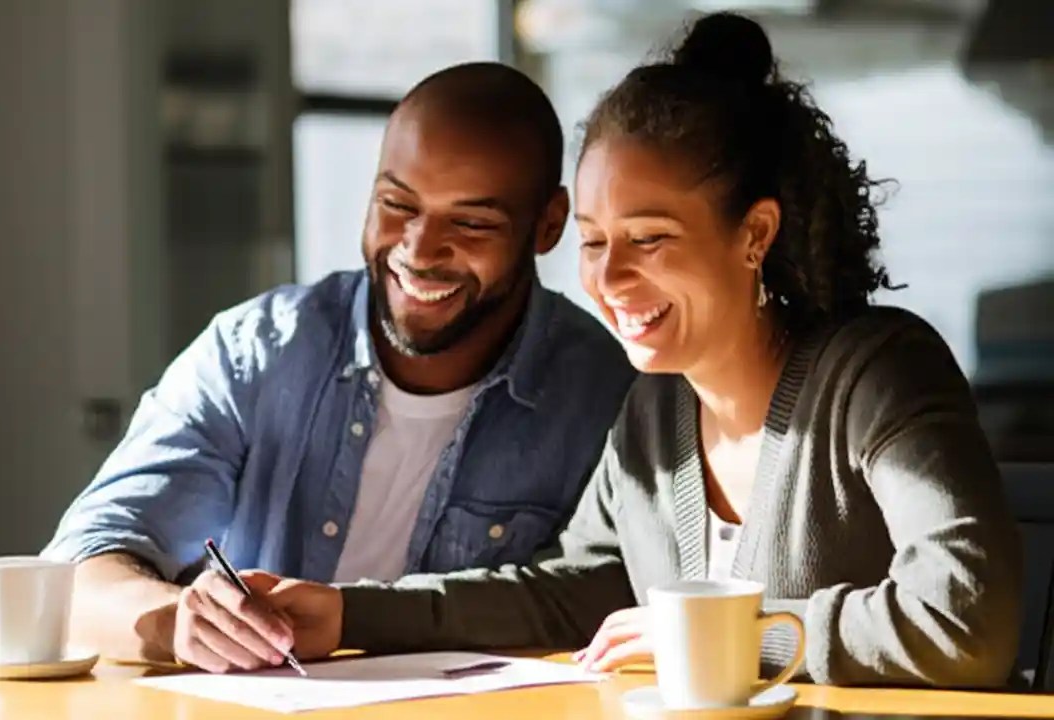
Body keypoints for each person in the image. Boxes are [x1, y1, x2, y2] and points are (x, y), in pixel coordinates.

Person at [182, 14, 1024, 688]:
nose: (610, 277)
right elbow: (572, 593)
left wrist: (724, 635)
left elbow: (967, 619)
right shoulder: (656, 411)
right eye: (591, 241)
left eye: (650, 239)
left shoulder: (876, 374)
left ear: (754, 234)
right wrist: (346, 614)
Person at [39, 62, 635, 670]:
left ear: (550, 225)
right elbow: (76, 573)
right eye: (397, 204)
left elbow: (607, 598)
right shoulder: (257, 351)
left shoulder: (606, 397)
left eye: (471, 222)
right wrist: (177, 623)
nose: (418, 251)